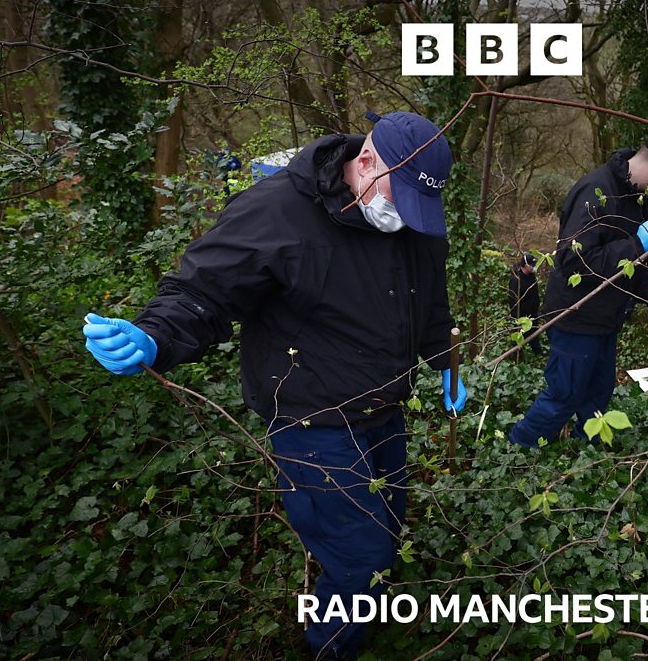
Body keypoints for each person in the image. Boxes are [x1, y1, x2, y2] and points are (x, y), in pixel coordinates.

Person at [81, 110, 467, 661]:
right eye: (398, 198)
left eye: (417, 205)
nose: (404, 216)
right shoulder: (278, 212)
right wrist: (155, 335)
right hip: (313, 418)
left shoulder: (415, 222)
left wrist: (444, 362)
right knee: (359, 554)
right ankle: (328, 649)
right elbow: (205, 291)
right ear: (365, 162)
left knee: (387, 527)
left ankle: (358, 595)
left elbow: (428, 302)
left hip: (385, 405)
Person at [508, 132, 648, 448]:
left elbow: (633, 262)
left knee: (598, 392)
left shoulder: (639, 199)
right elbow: (573, 260)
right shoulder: (595, 192)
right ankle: (519, 449)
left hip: (606, 319)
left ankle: (587, 451)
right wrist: (635, 244)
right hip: (575, 316)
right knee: (564, 395)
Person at [508, 252, 543, 356]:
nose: (534, 268)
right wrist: (517, 318)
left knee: (534, 336)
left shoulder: (531, 277)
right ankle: (516, 356)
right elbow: (513, 300)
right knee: (519, 338)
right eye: (532, 266)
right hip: (521, 317)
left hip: (532, 315)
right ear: (526, 265)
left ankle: (538, 355)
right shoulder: (516, 280)